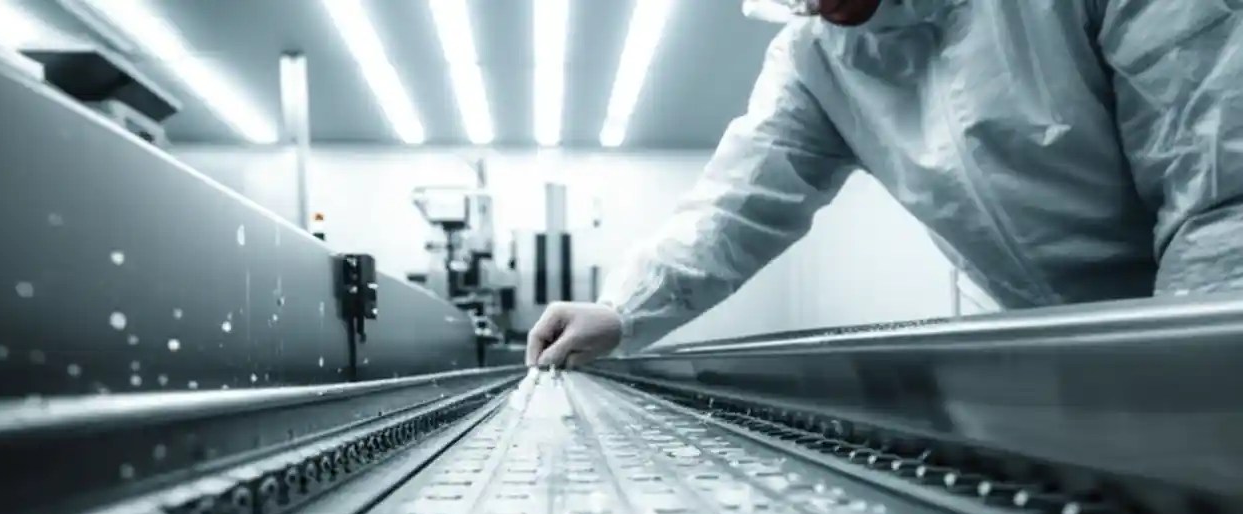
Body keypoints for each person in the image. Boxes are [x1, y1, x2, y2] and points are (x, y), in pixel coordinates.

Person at [525, 0, 1243, 368]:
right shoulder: (818, 55)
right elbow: (737, 202)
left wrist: (1187, 357)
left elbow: (1218, 186)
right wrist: (622, 310)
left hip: (1207, 319)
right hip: (1073, 344)